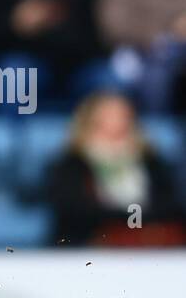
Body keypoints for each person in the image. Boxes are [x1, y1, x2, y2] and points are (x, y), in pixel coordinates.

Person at [45, 90, 185, 246]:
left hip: (147, 243)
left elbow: (169, 205)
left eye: (122, 115)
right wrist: (125, 220)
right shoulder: (71, 165)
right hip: (89, 247)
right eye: (108, 116)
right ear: (91, 120)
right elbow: (74, 212)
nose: (117, 122)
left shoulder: (152, 162)